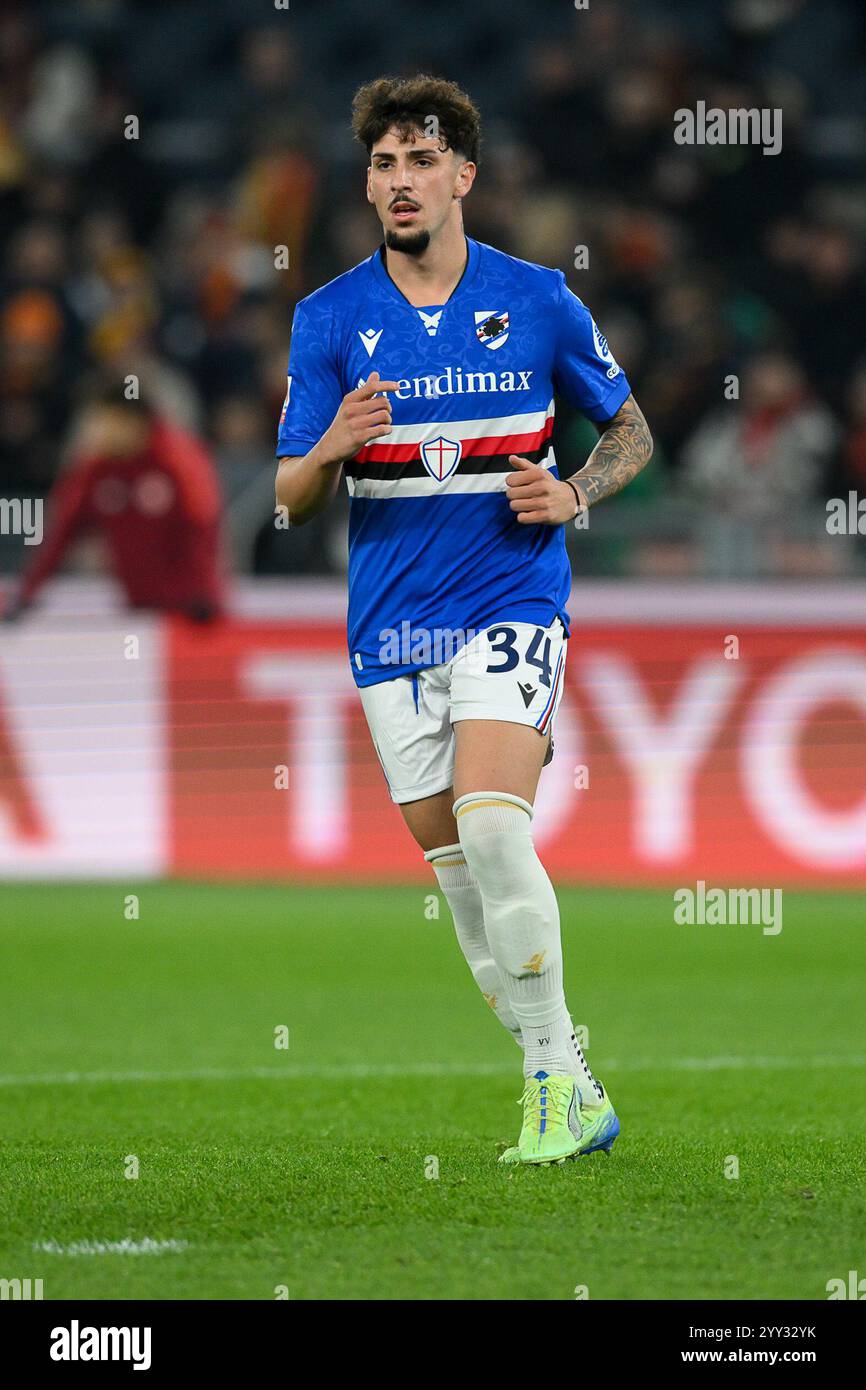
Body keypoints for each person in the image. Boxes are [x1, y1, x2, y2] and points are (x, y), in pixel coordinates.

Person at [275, 75, 653, 1166]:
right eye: (383, 163)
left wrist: (574, 492)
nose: (401, 179)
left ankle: (547, 1092)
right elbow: (290, 498)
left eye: (421, 160)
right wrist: (332, 444)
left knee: (494, 830)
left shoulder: (538, 299)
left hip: (510, 601)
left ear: (463, 176)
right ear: (369, 184)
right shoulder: (328, 317)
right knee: (465, 889)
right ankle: (572, 1078)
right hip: (391, 632)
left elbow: (628, 431)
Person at [4, 387, 225, 623]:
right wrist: (27, 594)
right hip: (140, 608)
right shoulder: (95, 471)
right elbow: (61, 535)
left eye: (107, 422)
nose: (98, 432)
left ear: (134, 422)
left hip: (191, 613)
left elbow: (201, 526)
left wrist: (202, 595)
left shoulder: (180, 461)